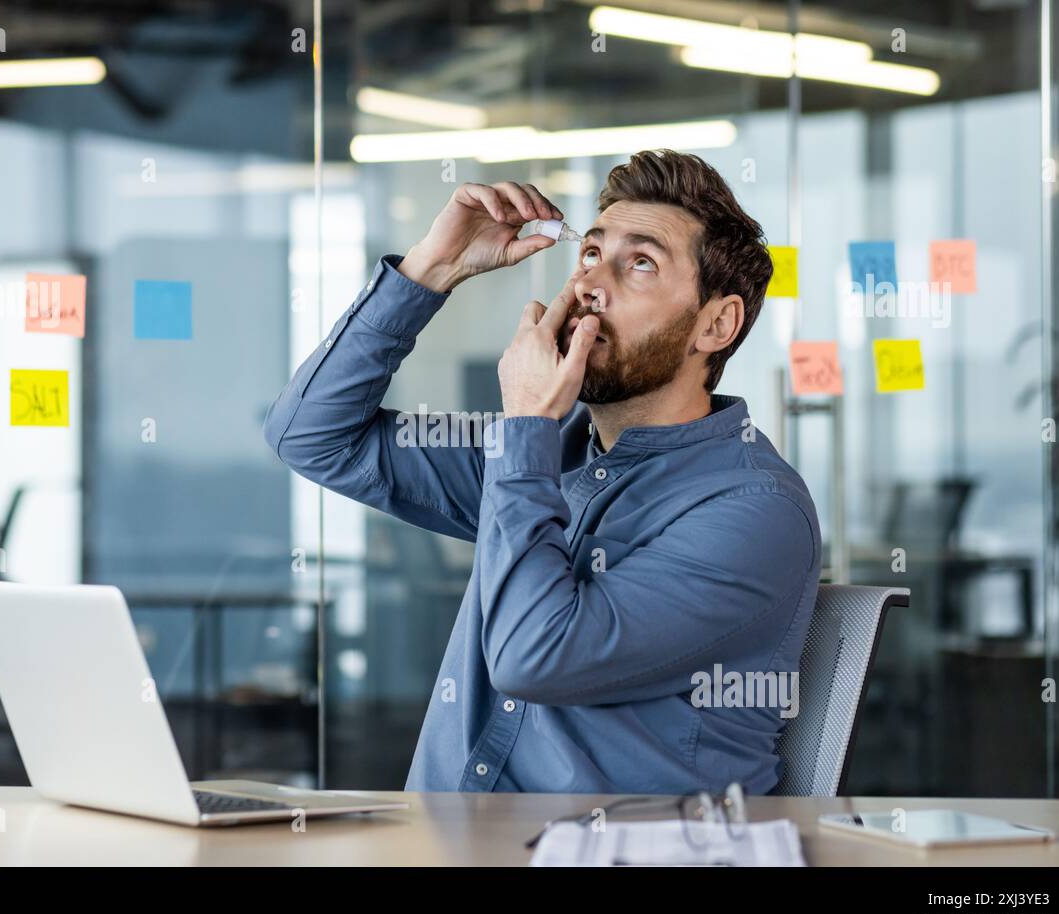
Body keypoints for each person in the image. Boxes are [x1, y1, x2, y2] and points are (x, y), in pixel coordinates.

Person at [264, 148, 822, 794]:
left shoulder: (754, 507)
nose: (589, 284)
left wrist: (526, 427)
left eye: (639, 263)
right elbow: (310, 434)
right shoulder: (546, 451)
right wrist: (429, 270)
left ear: (716, 323)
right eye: (590, 253)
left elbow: (536, 657)